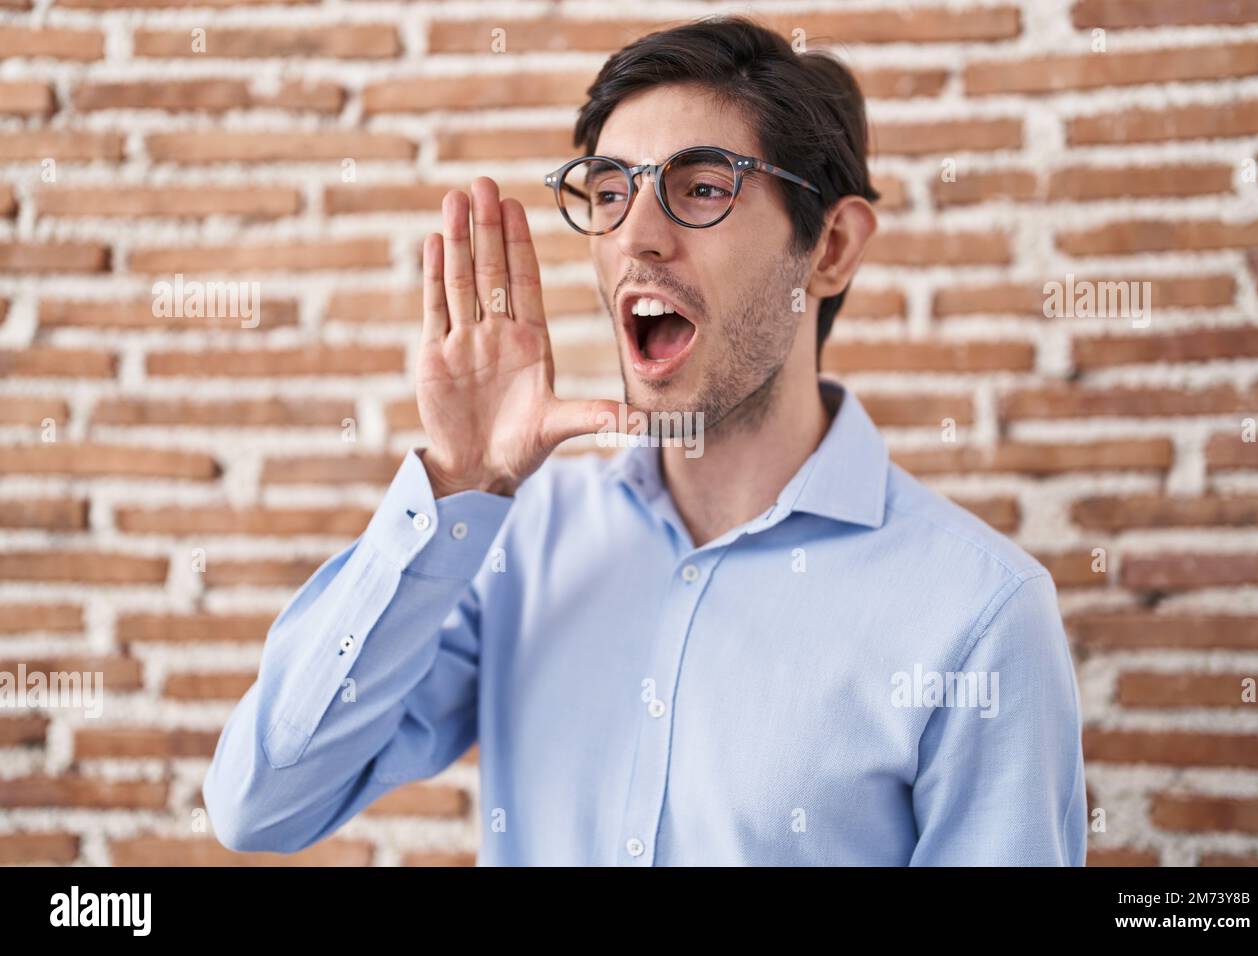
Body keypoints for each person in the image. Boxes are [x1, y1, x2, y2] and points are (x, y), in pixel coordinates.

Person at [203, 16, 1087, 865]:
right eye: (612, 192)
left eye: (702, 188)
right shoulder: (521, 537)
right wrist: (453, 486)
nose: (635, 237)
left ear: (831, 249)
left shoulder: (979, 614)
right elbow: (261, 803)